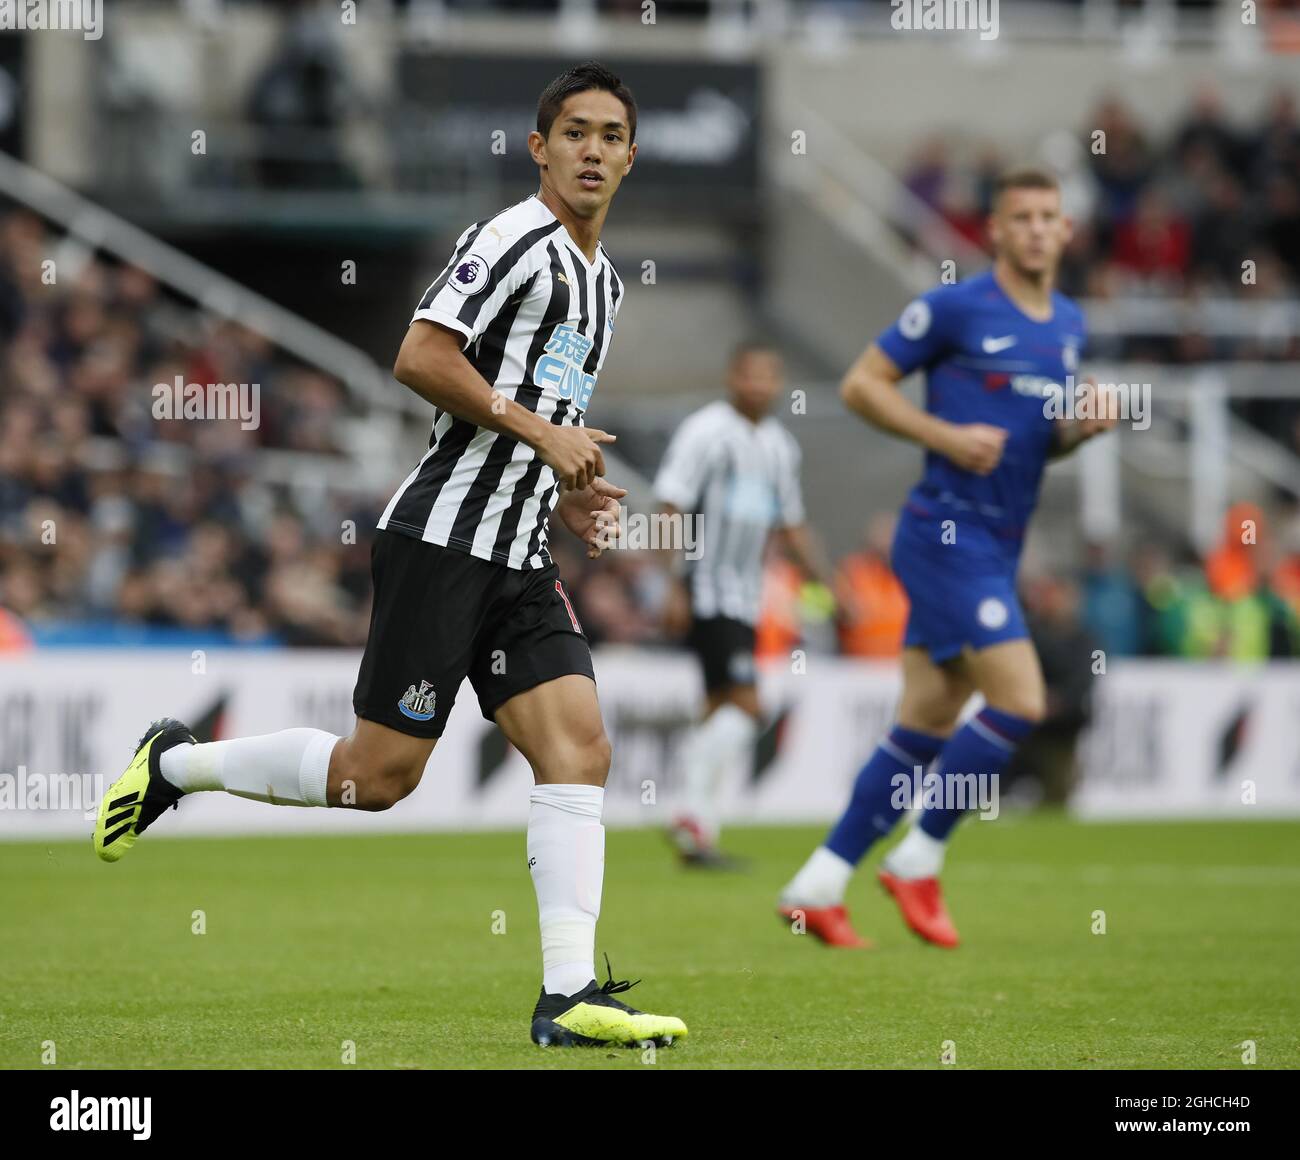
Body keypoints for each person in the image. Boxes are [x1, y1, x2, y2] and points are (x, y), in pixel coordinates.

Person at [93, 61, 687, 1050]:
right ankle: (179, 762)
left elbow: (542, 413)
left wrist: (565, 488)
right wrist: (540, 437)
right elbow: (418, 354)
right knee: (377, 777)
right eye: (574, 132)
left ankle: (568, 994)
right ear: (541, 149)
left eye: (611, 135)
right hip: (443, 539)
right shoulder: (511, 240)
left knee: (577, 742)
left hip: (518, 551)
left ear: (630, 155)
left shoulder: (603, 282)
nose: (593, 149)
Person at [780, 166, 1115, 949]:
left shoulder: (1066, 323)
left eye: (1049, 217)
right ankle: (919, 857)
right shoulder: (956, 307)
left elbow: (1035, 440)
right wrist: (944, 437)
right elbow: (864, 385)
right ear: (994, 231)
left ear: (1066, 232)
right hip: (943, 535)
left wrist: (1075, 432)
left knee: (923, 723)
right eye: (1021, 217)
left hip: (999, 546)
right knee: (1020, 703)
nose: (1036, 229)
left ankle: (817, 884)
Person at [653, 342, 831, 867]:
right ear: (733, 377)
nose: (761, 386)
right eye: (751, 376)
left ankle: (697, 835)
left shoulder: (780, 446)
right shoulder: (705, 432)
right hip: (707, 588)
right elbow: (671, 503)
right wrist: (672, 582)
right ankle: (688, 808)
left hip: (746, 595)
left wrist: (830, 583)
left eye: (770, 377)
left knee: (717, 707)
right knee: (748, 707)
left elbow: (790, 522)